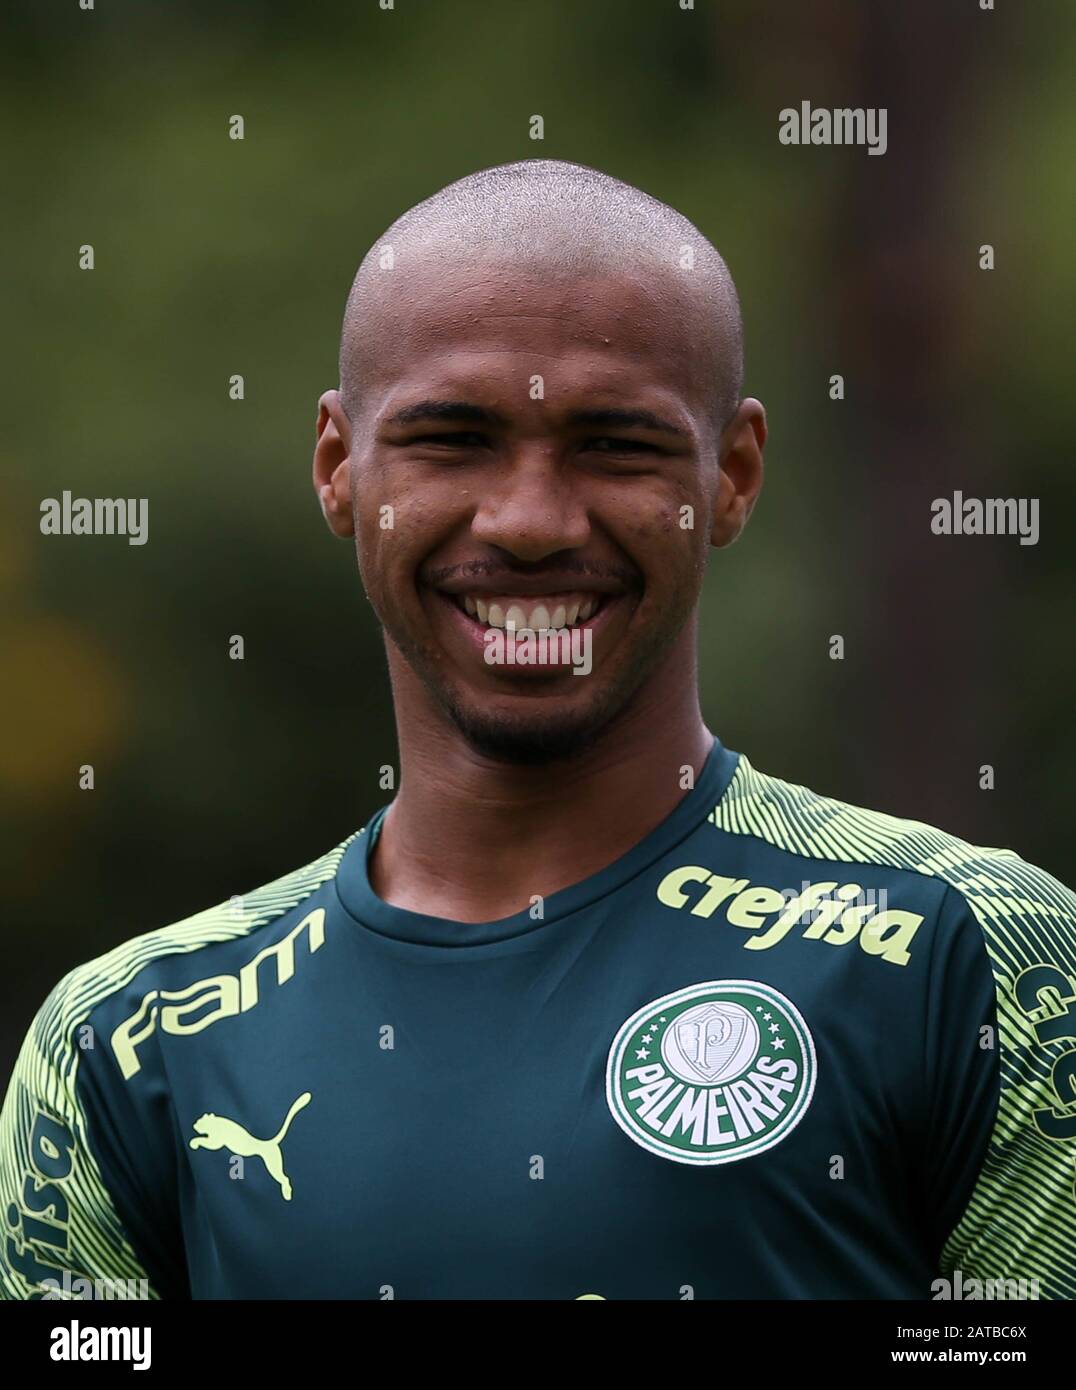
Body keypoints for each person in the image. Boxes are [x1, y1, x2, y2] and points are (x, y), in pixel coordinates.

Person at [3, 160, 1073, 1301]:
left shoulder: (970, 955)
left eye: (615, 445)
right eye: (449, 440)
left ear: (732, 476)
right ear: (337, 470)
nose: (526, 522)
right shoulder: (124, 1046)